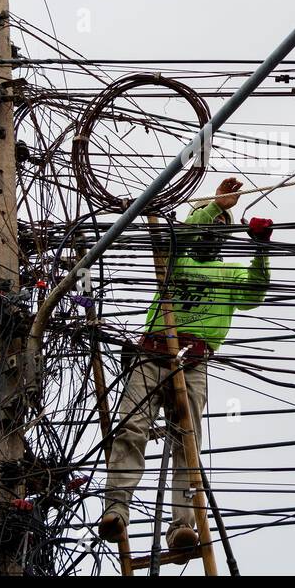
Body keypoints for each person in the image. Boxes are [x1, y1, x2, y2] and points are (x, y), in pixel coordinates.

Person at [99, 177, 271, 551]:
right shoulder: (175, 257)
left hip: (193, 362)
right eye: (209, 227)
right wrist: (216, 207)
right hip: (152, 354)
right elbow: (185, 233)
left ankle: (181, 526)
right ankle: (116, 510)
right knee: (131, 428)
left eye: (221, 230)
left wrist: (261, 248)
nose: (213, 234)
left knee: (187, 443)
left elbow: (255, 294)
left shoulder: (231, 273)